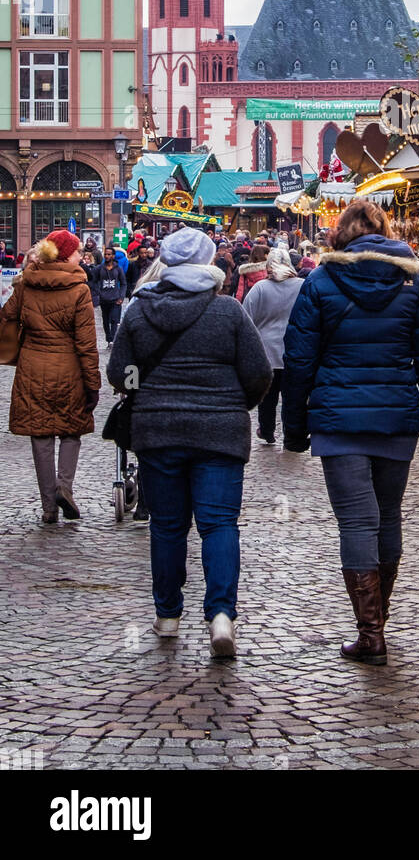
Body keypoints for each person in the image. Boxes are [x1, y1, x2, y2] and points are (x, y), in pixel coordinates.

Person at [282, 198, 419, 666]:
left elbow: (298, 361)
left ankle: (370, 633)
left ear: (342, 234)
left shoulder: (319, 282)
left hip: (338, 422)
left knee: (358, 522)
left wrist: (295, 427)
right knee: (388, 517)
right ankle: (379, 623)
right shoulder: (412, 283)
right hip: (397, 419)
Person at [106, 228, 272, 658]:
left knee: (166, 526)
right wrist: (237, 404)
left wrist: (145, 390)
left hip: (158, 432)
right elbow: (259, 373)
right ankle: (221, 615)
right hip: (219, 434)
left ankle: (167, 614)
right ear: (207, 262)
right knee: (219, 525)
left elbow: (120, 372)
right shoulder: (229, 311)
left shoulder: (140, 312)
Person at [2, 230, 100, 523]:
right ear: (65, 254)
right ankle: (64, 488)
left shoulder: (28, 282)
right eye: (77, 251)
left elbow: (6, 315)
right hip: (68, 367)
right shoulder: (78, 287)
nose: (81, 256)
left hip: (33, 365)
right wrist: (92, 384)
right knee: (71, 431)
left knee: (41, 434)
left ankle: (48, 508)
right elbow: (86, 343)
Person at [243, 245, 304, 445]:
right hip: (295, 348)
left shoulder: (260, 288)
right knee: (291, 396)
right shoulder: (302, 286)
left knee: (267, 397)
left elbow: (247, 318)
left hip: (267, 350)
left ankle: (267, 430)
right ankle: (290, 433)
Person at [93, 245, 127, 343]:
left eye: (109, 254)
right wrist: (98, 292)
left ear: (113, 256)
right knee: (106, 320)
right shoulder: (99, 268)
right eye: (105, 254)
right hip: (104, 299)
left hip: (116, 298)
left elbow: (124, 283)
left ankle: (112, 339)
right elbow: (93, 281)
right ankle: (108, 338)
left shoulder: (118, 269)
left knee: (115, 319)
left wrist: (121, 296)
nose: (107, 256)